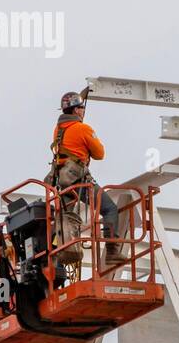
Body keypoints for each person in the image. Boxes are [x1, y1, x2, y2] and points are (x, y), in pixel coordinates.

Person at [48, 91, 124, 261]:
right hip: (78, 179)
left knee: (63, 219)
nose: (83, 110)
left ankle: (53, 257)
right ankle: (112, 250)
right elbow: (100, 154)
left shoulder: (58, 130)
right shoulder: (83, 129)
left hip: (62, 180)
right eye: (81, 108)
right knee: (109, 208)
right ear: (76, 110)